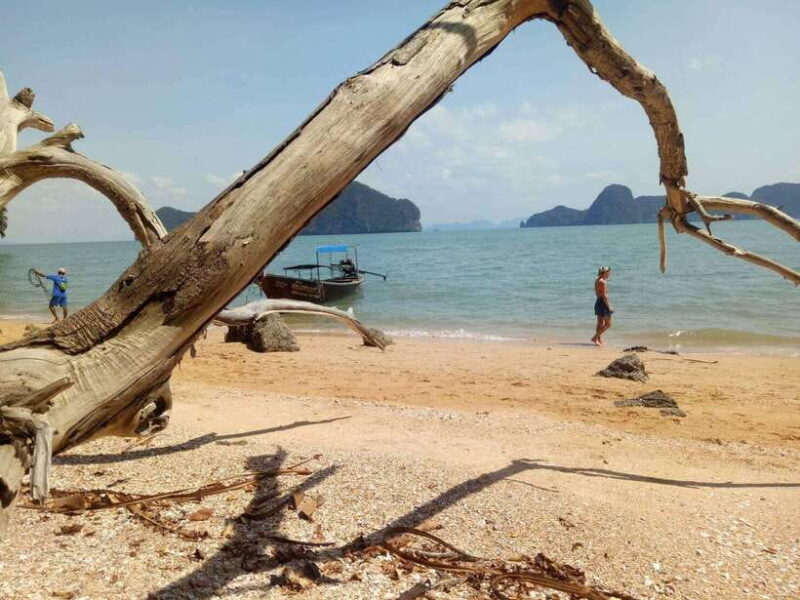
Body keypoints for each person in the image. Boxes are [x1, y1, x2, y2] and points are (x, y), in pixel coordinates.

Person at [591, 266, 613, 346]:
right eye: (609, 273)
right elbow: (604, 296)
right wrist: (609, 306)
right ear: (605, 273)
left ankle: (598, 340)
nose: (609, 274)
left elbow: (599, 293)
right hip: (602, 303)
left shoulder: (597, 280)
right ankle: (595, 338)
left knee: (600, 323)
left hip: (598, 302)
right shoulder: (602, 282)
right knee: (608, 324)